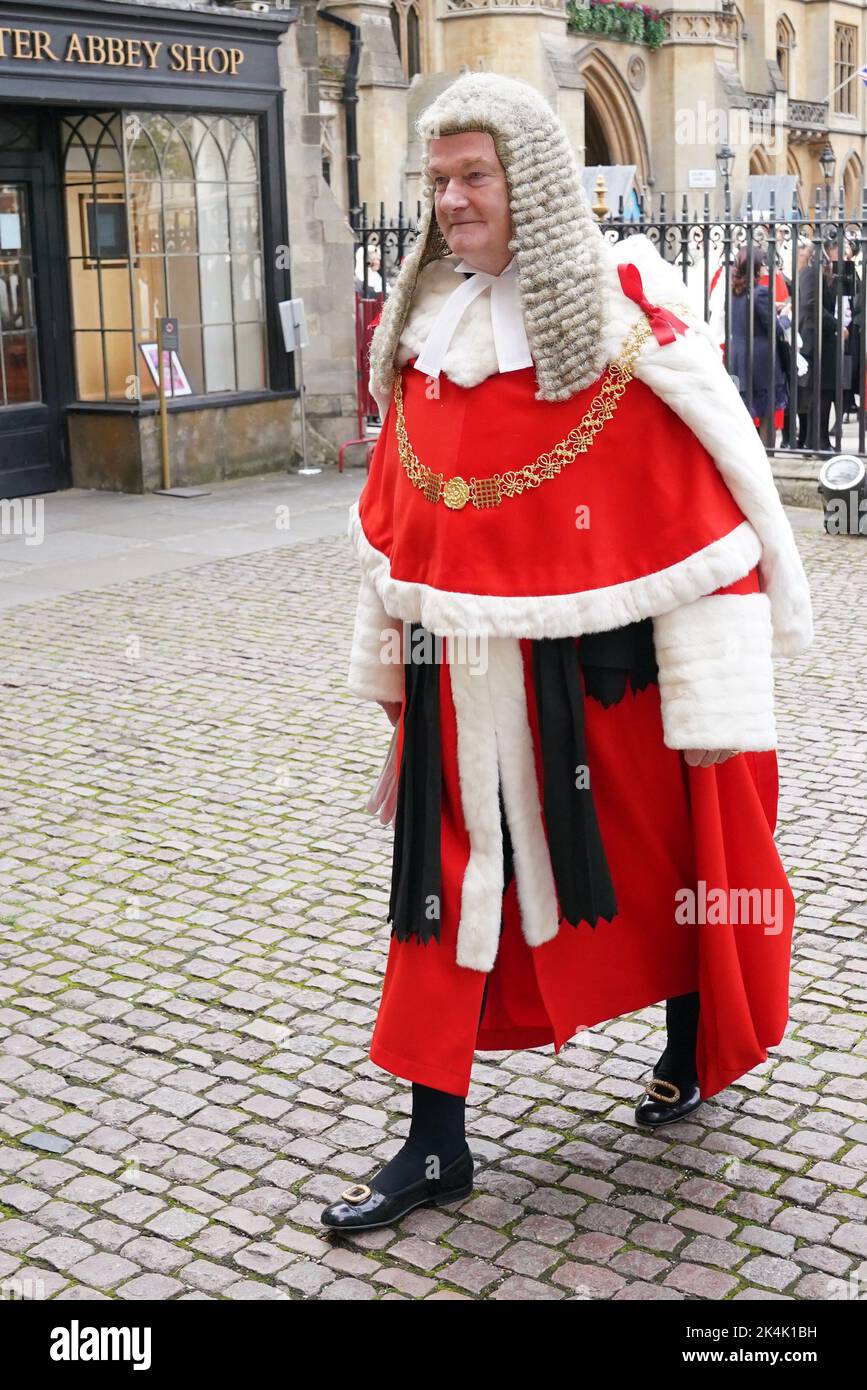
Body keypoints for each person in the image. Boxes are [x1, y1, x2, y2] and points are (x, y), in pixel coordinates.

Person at [321, 72, 814, 1233]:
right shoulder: (426, 340)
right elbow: (401, 524)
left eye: (473, 177)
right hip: (461, 682)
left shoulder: (620, 328)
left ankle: (690, 1039)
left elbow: (700, 506)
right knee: (437, 896)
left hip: (605, 681)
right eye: (438, 180)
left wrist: (704, 700)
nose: (450, 202)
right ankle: (434, 1141)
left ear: (529, 184)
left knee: (663, 864)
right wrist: (396, 666)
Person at [729, 245, 790, 439]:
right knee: (767, 415)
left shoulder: (734, 292)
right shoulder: (760, 292)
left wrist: (772, 309)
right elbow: (776, 329)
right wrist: (786, 316)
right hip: (761, 360)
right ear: (755, 267)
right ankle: (767, 458)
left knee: (742, 415)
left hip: (738, 358)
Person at [798, 232, 847, 450]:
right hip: (815, 341)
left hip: (828, 339)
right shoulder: (809, 272)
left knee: (826, 391)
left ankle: (817, 440)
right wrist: (836, 324)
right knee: (819, 392)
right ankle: (817, 441)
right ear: (828, 250)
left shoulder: (827, 272)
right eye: (839, 250)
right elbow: (811, 306)